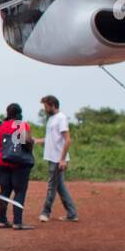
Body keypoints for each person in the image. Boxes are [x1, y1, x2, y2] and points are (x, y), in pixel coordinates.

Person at [0, 103, 36, 230]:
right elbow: (26, 141)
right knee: (19, 192)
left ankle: (2, 220)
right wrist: (30, 148)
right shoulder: (21, 124)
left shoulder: (0, 127)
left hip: (2, 163)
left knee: (4, 191)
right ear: (19, 114)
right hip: (19, 164)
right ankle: (17, 222)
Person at [39, 95, 79, 223]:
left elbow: (67, 140)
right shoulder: (51, 119)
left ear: (52, 105)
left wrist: (62, 160)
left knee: (52, 186)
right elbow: (51, 139)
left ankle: (45, 212)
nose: (45, 109)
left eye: (45, 106)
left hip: (57, 159)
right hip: (52, 158)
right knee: (60, 187)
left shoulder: (61, 118)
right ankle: (72, 214)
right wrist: (36, 141)